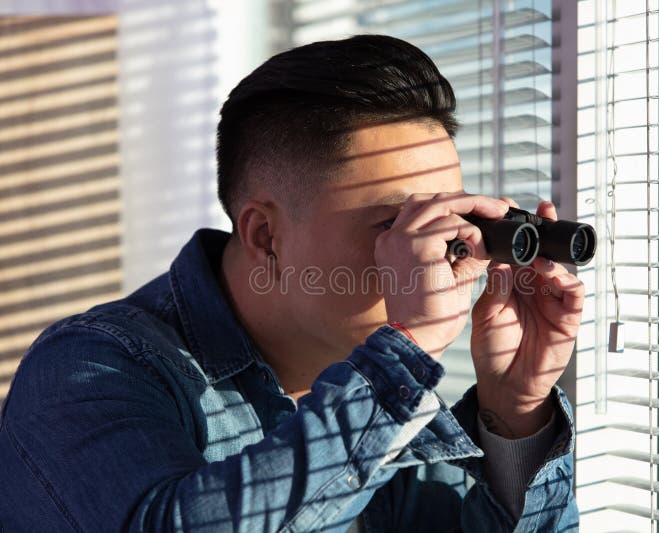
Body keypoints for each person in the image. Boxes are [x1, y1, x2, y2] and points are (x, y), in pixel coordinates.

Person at [0, 35, 582, 532]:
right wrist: (409, 348)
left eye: (443, 222)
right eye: (395, 226)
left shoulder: (379, 392)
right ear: (266, 236)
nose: (434, 253)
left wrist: (515, 415)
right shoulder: (86, 370)